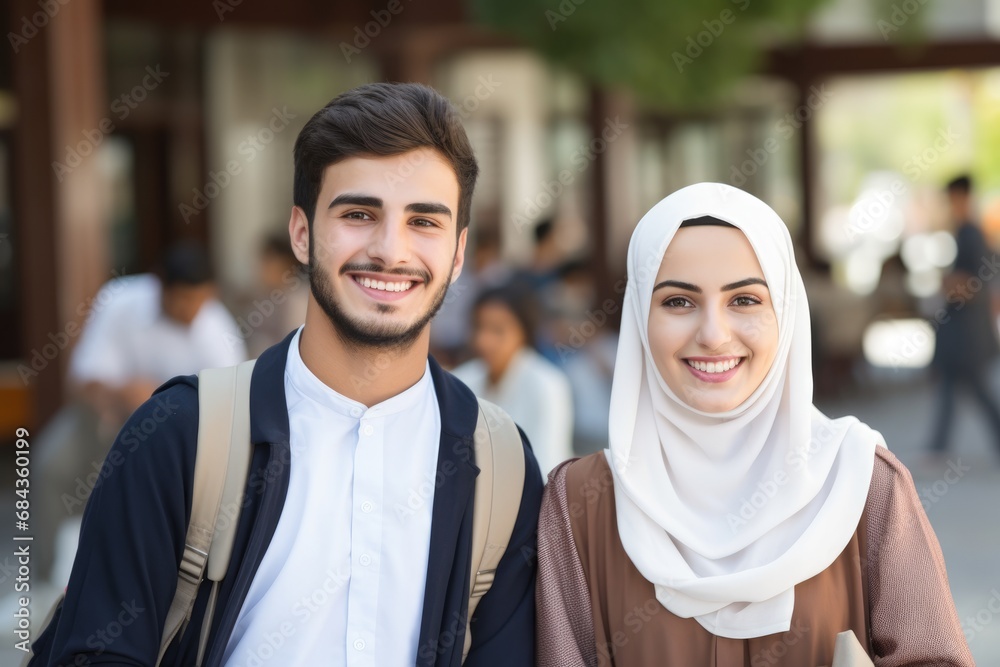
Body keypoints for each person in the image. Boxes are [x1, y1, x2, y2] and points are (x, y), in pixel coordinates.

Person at [30, 82, 543, 667]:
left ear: (457, 253)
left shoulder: (502, 466)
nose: (389, 249)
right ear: (301, 234)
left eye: (424, 221)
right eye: (358, 213)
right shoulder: (179, 438)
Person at [536, 183, 973, 666]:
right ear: (639, 317)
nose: (713, 335)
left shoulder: (863, 485)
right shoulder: (581, 503)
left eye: (744, 300)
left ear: (785, 312)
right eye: (678, 302)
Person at [34, 242, 247, 585]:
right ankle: (42, 581)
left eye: (201, 300)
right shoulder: (121, 299)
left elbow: (230, 409)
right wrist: (124, 391)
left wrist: (158, 404)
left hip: (178, 434)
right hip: (103, 417)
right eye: (183, 299)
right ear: (159, 285)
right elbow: (84, 379)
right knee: (48, 464)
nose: (192, 310)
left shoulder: (218, 332)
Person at [452, 285, 574, 476]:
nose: (483, 340)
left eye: (498, 330)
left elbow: (547, 466)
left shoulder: (547, 385)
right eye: (478, 327)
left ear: (524, 332)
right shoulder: (461, 381)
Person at [928, 174, 1000, 458]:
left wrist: (950, 283)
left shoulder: (970, 233)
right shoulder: (968, 231)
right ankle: (937, 445)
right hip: (965, 327)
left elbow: (977, 282)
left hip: (968, 328)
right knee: (951, 382)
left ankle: (938, 446)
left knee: (974, 387)